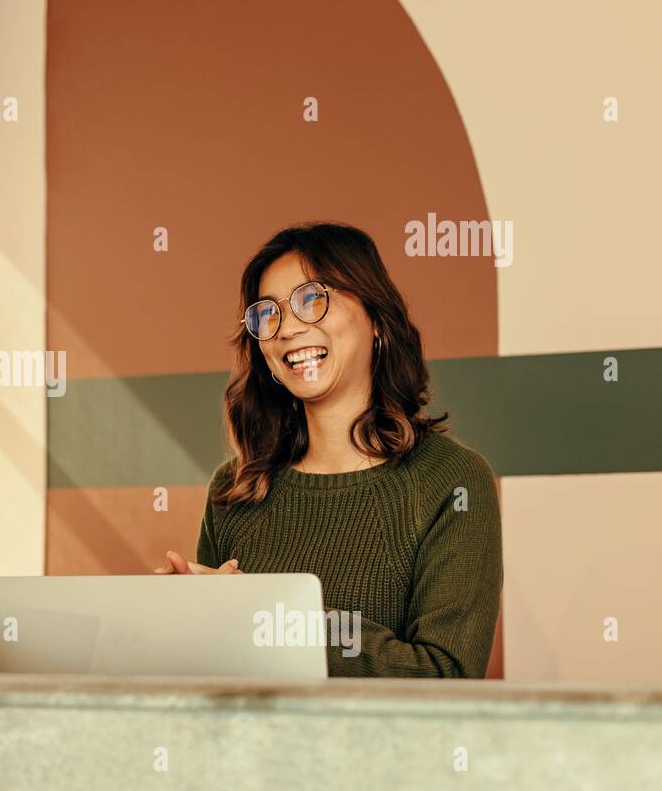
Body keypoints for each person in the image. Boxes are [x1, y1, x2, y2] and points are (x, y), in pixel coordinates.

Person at [158, 222, 501, 677]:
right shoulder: (236, 488)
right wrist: (180, 624)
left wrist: (274, 618)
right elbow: (214, 677)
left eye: (312, 300)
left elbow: (446, 677)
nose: (287, 329)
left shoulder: (452, 481)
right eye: (268, 314)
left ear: (376, 320)